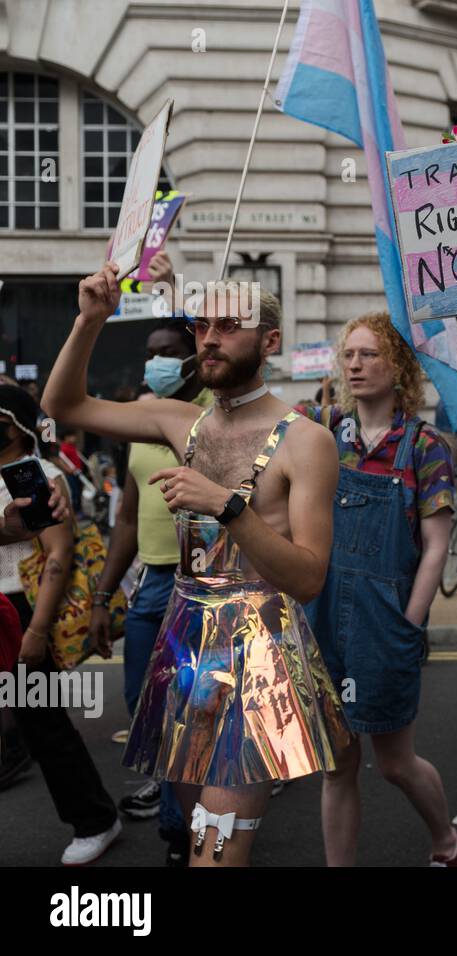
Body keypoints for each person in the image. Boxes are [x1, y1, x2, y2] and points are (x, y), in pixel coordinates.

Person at [45, 265, 351, 867]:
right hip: (183, 645)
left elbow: (308, 577)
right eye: (201, 325)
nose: (209, 337)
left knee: (216, 852)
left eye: (228, 325)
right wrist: (89, 321)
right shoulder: (178, 420)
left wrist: (227, 506)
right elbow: (63, 404)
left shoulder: (305, 440)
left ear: (269, 341)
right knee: (198, 841)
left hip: (259, 652)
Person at [296, 312, 457, 866]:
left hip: (384, 624)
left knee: (394, 763)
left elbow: (436, 546)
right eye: (349, 354)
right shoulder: (320, 433)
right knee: (337, 765)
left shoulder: (424, 447)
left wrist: (408, 626)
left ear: (398, 367)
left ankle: (445, 838)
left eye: (370, 354)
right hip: (320, 619)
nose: (355, 364)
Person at [89, 312, 212, 865]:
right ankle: (182, 800)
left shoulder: (219, 414)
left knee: (191, 710)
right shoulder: (138, 419)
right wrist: (102, 595)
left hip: (205, 579)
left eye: (166, 351)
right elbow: (128, 520)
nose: (154, 363)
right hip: (153, 581)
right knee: (143, 703)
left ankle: (180, 832)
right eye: (149, 353)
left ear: (193, 357)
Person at [0, 386, 122, 864]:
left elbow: (57, 558)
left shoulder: (41, 476)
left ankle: (95, 820)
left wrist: (35, 633)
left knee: (45, 723)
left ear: (19, 425)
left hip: (25, 610)